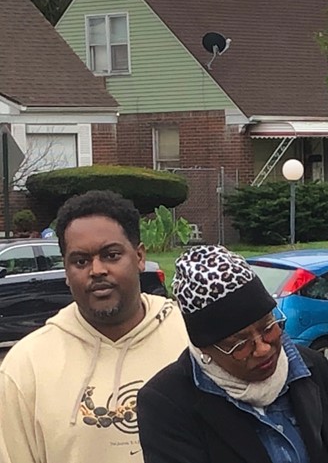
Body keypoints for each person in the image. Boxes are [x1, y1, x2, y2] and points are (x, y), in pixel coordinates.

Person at [136, 244, 328, 463]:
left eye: (268, 327)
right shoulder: (166, 404)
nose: (263, 348)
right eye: (239, 344)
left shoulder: (311, 368)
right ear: (205, 348)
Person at [0, 190, 188, 463]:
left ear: (139, 257)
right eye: (80, 261)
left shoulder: (192, 338)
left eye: (111, 255)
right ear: (66, 272)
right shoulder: (25, 366)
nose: (96, 270)